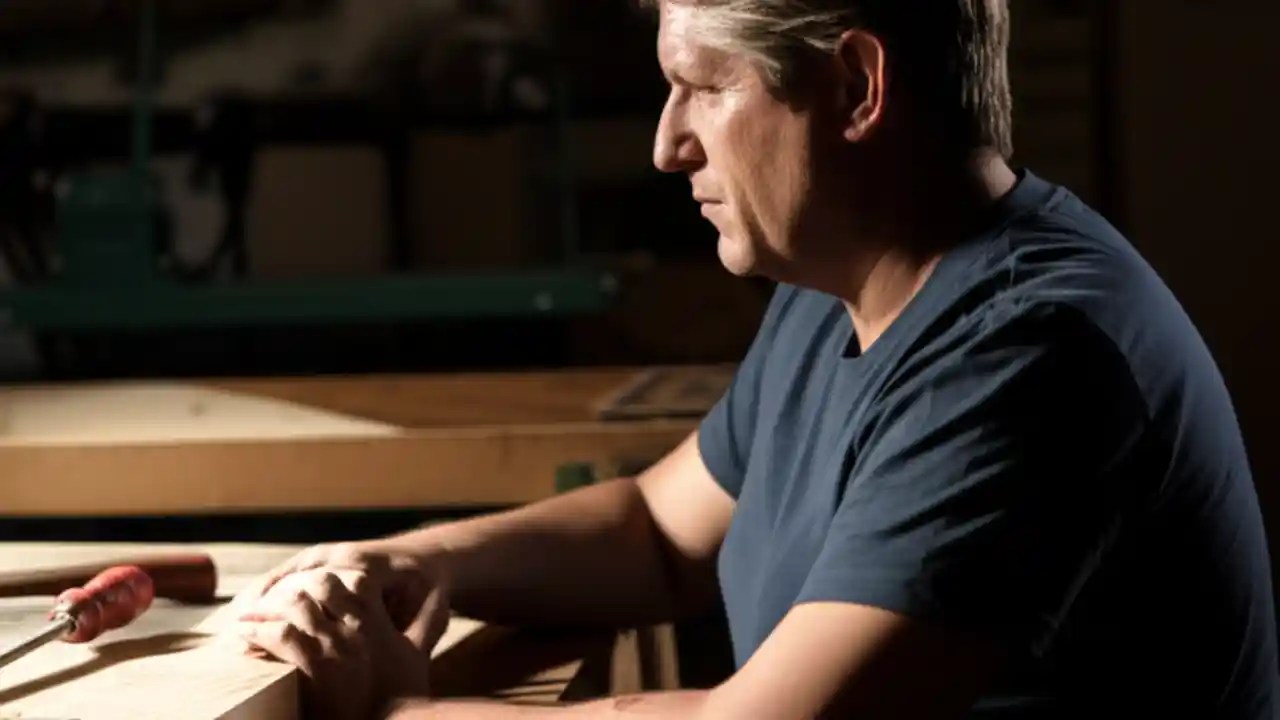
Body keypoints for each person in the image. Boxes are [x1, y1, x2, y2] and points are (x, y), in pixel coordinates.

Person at [232, 0, 1279, 717]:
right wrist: (424, 563)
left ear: (857, 86)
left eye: (700, 88)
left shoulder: (1024, 352)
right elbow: (656, 532)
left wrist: (392, 708)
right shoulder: (840, 288)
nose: (666, 144)